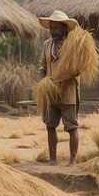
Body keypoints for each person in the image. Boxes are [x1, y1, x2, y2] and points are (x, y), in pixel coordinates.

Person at [38, 10, 80, 166]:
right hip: (49, 92)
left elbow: (78, 68)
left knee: (71, 127)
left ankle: (72, 160)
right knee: (50, 125)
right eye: (51, 28)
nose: (52, 31)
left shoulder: (73, 46)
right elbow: (42, 64)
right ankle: (53, 159)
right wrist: (43, 81)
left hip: (68, 91)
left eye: (55, 28)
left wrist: (63, 77)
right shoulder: (46, 45)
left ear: (64, 28)